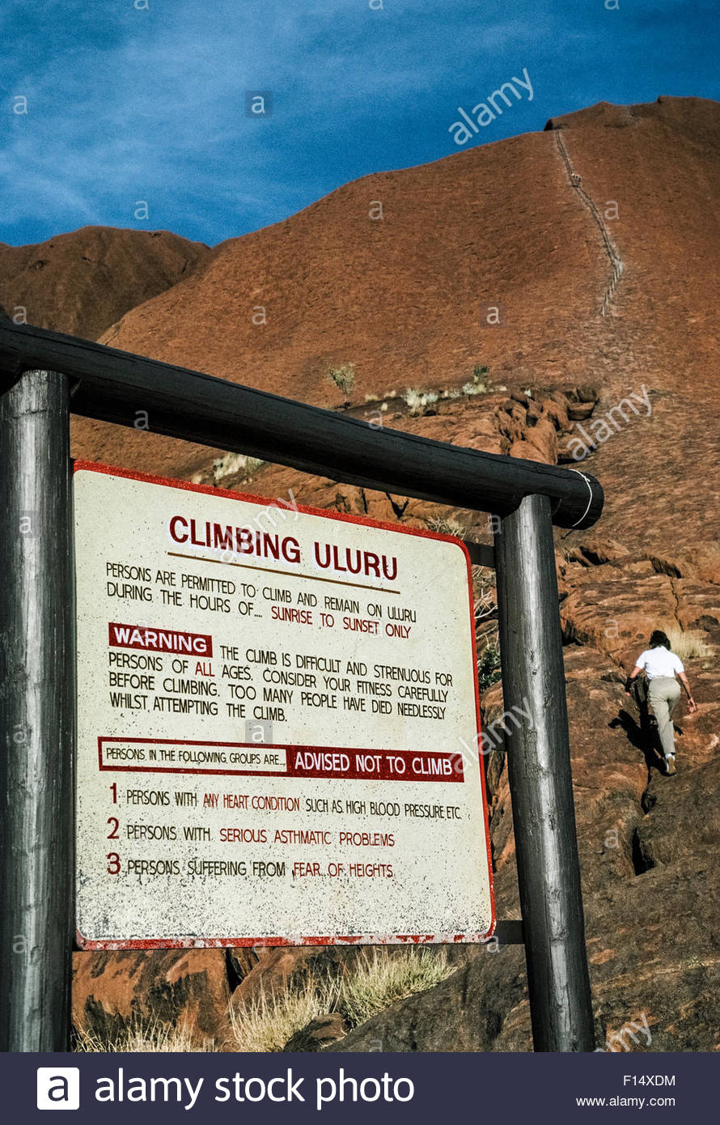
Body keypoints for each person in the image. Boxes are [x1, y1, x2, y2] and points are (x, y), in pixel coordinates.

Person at [625, 630, 696, 775]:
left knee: (662, 722)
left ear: (652, 642)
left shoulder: (646, 654)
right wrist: (690, 698)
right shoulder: (673, 656)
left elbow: (633, 675)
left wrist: (627, 687)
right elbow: (684, 680)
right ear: (666, 642)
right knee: (667, 718)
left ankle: (669, 756)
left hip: (657, 687)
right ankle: (668, 738)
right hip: (674, 687)